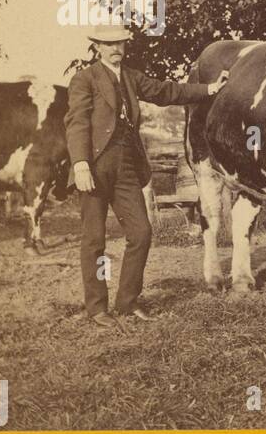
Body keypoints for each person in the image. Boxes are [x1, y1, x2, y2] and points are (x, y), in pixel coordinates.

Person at [65, 25, 227, 328]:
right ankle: (97, 308)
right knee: (94, 240)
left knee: (141, 233)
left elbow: (166, 91)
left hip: (127, 167)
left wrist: (209, 89)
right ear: (97, 47)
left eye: (120, 43)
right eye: (109, 44)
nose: (116, 49)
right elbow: (77, 123)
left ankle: (127, 303)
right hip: (94, 167)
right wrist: (81, 164)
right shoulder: (84, 79)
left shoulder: (131, 76)